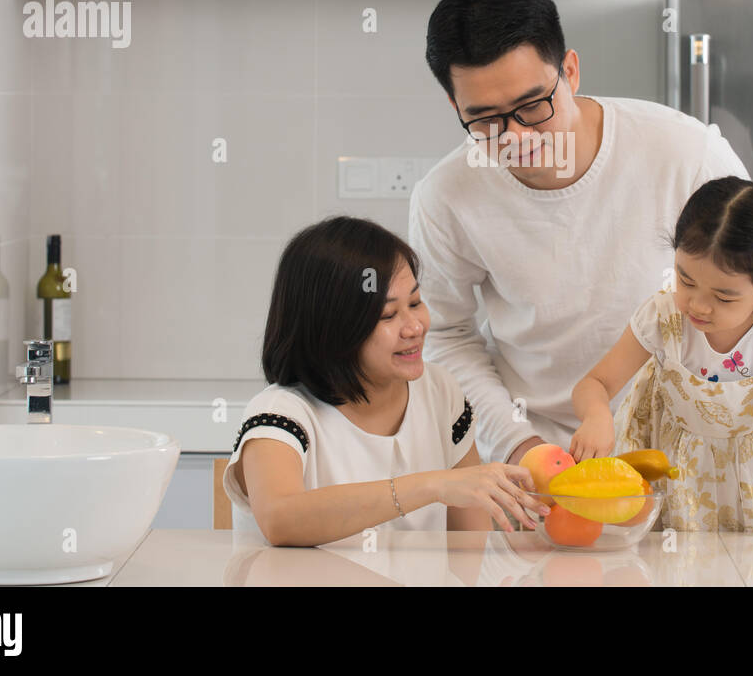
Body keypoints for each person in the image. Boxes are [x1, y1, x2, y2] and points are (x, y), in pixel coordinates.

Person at [409, 0, 750, 471]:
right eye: (485, 120)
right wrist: (519, 446)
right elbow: (445, 334)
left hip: (690, 457)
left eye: (532, 106)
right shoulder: (446, 196)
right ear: (453, 104)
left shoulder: (684, 153)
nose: (515, 137)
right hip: (543, 464)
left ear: (569, 71)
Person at [222, 216, 549, 546]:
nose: (415, 327)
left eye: (416, 303)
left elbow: (469, 546)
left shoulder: (439, 392)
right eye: (388, 316)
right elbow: (280, 519)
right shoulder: (282, 413)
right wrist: (431, 485)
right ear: (333, 328)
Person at [570, 177, 753, 545]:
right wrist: (597, 415)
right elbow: (595, 384)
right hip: (670, 470)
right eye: (685, 280)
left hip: (752, 473)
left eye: (723, 297)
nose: (697, 305)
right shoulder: (663, 316)